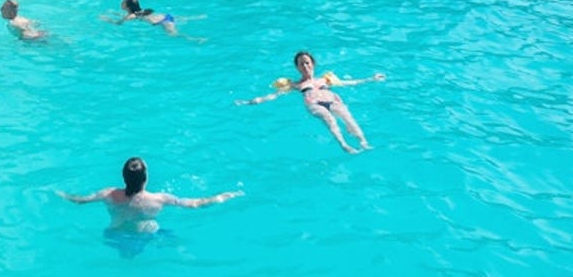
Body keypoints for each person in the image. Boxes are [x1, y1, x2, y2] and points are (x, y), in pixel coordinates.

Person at [237, 50, 386, 153]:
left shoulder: (325, 79)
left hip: (332, 100)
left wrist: (371, 79)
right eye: (301, 64)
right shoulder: (295, 84)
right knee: (329, 119)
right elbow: (273, 95)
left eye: (307, 63)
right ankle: (344, 145)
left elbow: (350, 82)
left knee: (347, 117)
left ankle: (363, 142)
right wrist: (250, 102)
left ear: (313, 64)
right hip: (314, 104)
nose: (305, 66)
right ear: (297, 68)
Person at [61, 157, 240, 235]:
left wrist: (60, 193)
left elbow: (80, 201)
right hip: (145, 236)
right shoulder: (159, 199)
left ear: (123, 176)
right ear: (145, 178)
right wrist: (222, 196)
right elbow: (195, 204)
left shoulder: (108, 194)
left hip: (114, 234)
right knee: (171, 238)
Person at [112, 0, 178, 35]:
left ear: (128, 6)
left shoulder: (132, 16)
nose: (121, 2)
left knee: (174, 35)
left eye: (123, 2)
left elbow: (118, 23)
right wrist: (116, 14)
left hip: (163, 22)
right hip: (165, 16)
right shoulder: (140, 12)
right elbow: (126, 16)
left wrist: (107, 19)